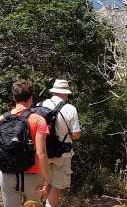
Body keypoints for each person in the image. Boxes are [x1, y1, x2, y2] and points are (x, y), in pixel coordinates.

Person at [0, 80, 50, 207]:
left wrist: (1, 170)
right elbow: (41, 153)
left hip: (8, 175)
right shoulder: (38, 120)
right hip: (33, 175)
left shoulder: (1, 119)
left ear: (14, 98)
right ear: (31, 98)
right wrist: (46, 179)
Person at [38, 79, 82, 207]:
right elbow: (76, 134)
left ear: (54, 92)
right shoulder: (70, 109)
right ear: (64, 93)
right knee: (56, 187)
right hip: (62, 154)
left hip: (42, 153)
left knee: (41, 185)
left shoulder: (39, 105)